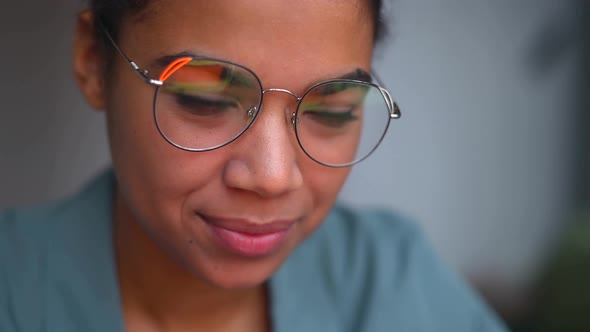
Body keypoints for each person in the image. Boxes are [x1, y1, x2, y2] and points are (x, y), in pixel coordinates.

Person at [0, 1, 507, 331]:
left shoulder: (390, 279)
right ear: (93, 60)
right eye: (204, 100)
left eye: (331, 109)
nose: (272, 177)